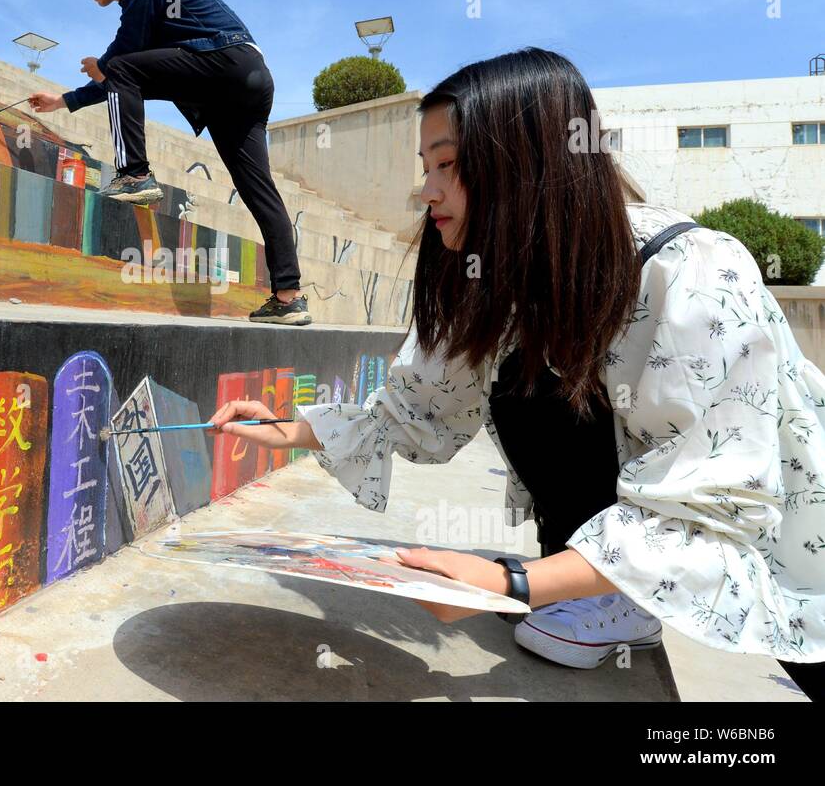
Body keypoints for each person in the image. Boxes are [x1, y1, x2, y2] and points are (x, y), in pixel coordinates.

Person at [209, 47, 825, 700]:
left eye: (447, 165)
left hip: (801, 548)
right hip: (638, 538)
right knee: (526, 385)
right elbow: (423, 406)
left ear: (525, 165)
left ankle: (612, 593)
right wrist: (291, 427)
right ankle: (611, 592)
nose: (427, 190)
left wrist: (511, 582)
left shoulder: (692, 271)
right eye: (426, 167)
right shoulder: (488, 279)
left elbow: (717, 510)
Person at [28, 0, 310, 326]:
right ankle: (289, 297)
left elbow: (123, 61)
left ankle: (135, 174)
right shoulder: (144, 5)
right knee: (257, 189)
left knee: (120, 67)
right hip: (241, 84)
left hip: (227, 60)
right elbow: (124, 76)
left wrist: (102, 69)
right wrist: (66, 100)